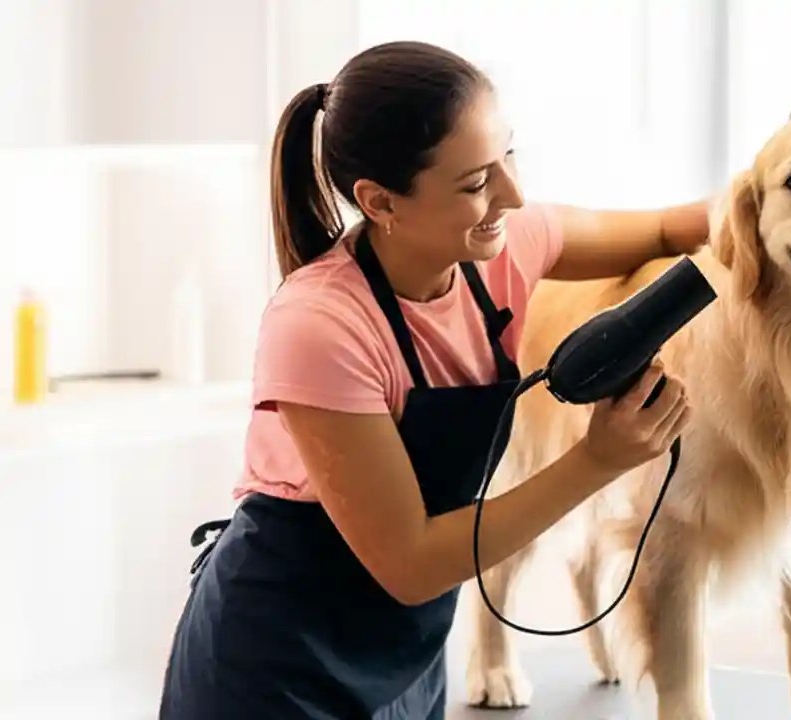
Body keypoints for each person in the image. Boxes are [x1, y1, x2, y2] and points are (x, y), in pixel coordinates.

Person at [159, 40, 707, 719]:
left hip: (404, 656)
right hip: (276, 666)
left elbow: (664, 229)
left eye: (509, 154)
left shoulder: (501, 250)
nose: (514, 193)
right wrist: (598, 461)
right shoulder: (319, 327)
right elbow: (411, 562)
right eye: (477, 182)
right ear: (380, 202)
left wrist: (780, 197)